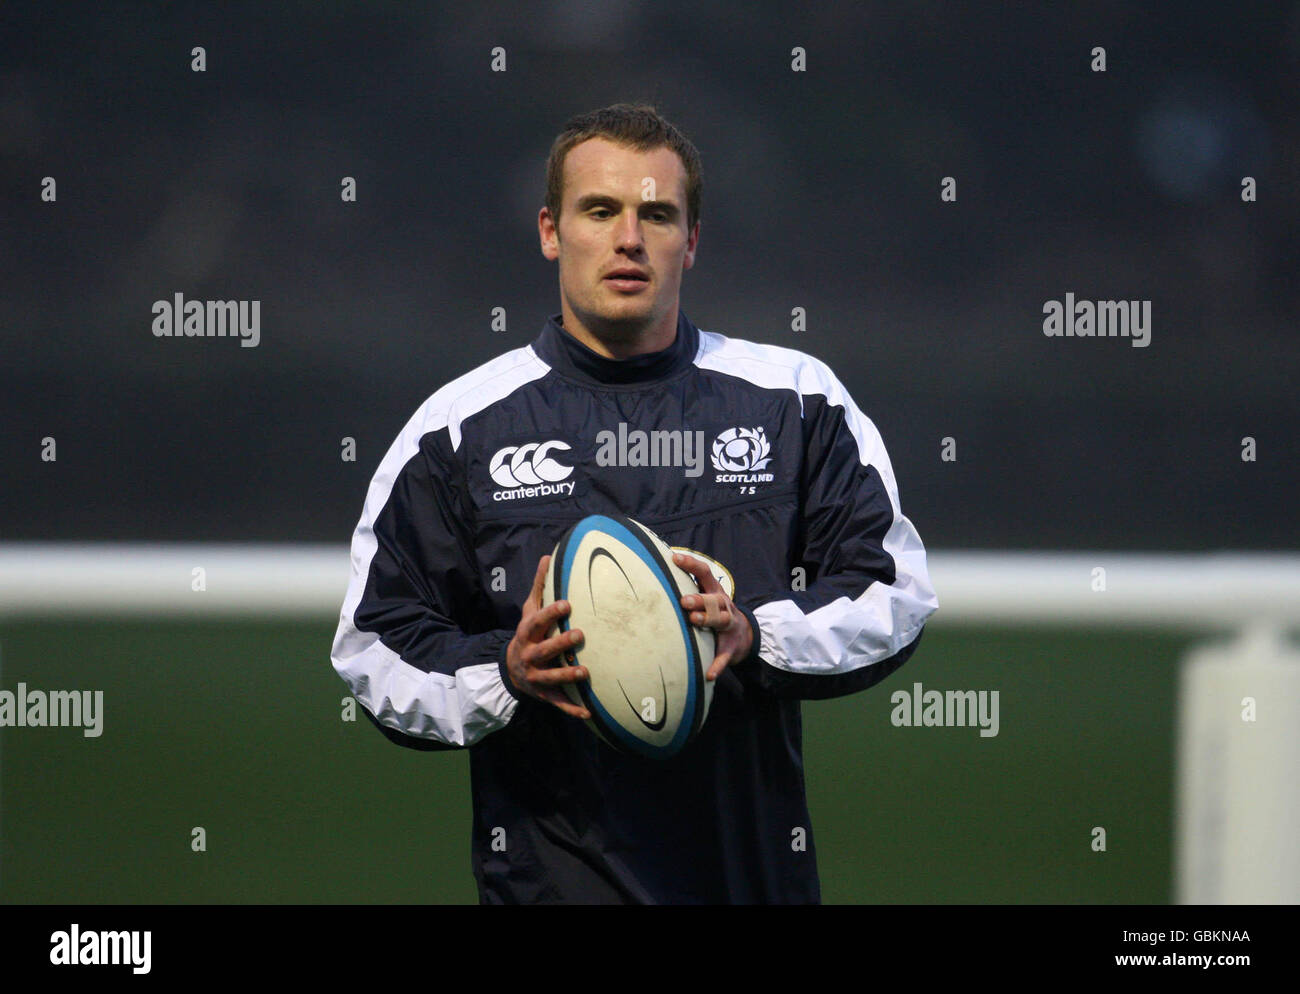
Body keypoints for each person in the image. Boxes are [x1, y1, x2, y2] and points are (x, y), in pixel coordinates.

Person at [330, 103, 938, 903]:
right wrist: (504, 675)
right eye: (600, 210)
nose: (629, 238)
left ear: (691, 240)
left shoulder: (794, 401)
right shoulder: (458, 430)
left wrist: (757, 635)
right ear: (551, 231)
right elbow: (376, 647)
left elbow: (892, 591)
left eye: (657, 214)